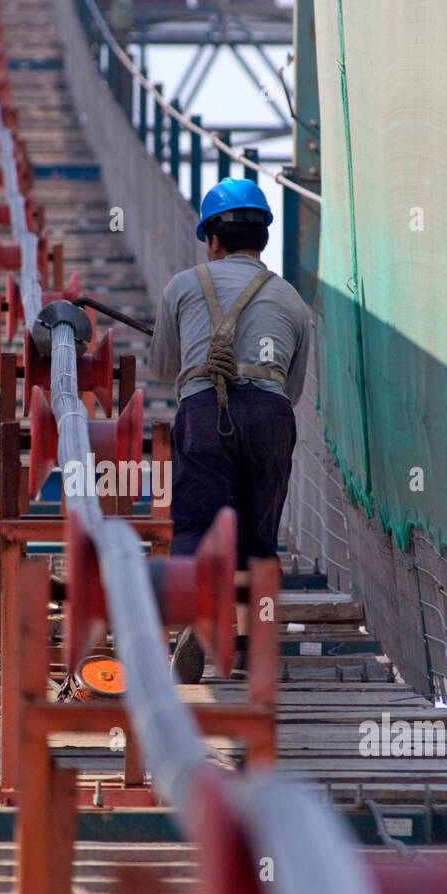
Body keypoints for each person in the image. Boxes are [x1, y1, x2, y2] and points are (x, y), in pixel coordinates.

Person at [148, 177, 311, 682]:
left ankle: (194, 615)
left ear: (212, 239)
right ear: (263, 238)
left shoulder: (184, 285)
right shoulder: (292, 303)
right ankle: (248, 648)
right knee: (258, 540)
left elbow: (162, 367)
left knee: (197, 525)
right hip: (269, 417)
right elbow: (293, 389)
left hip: (204, 414)